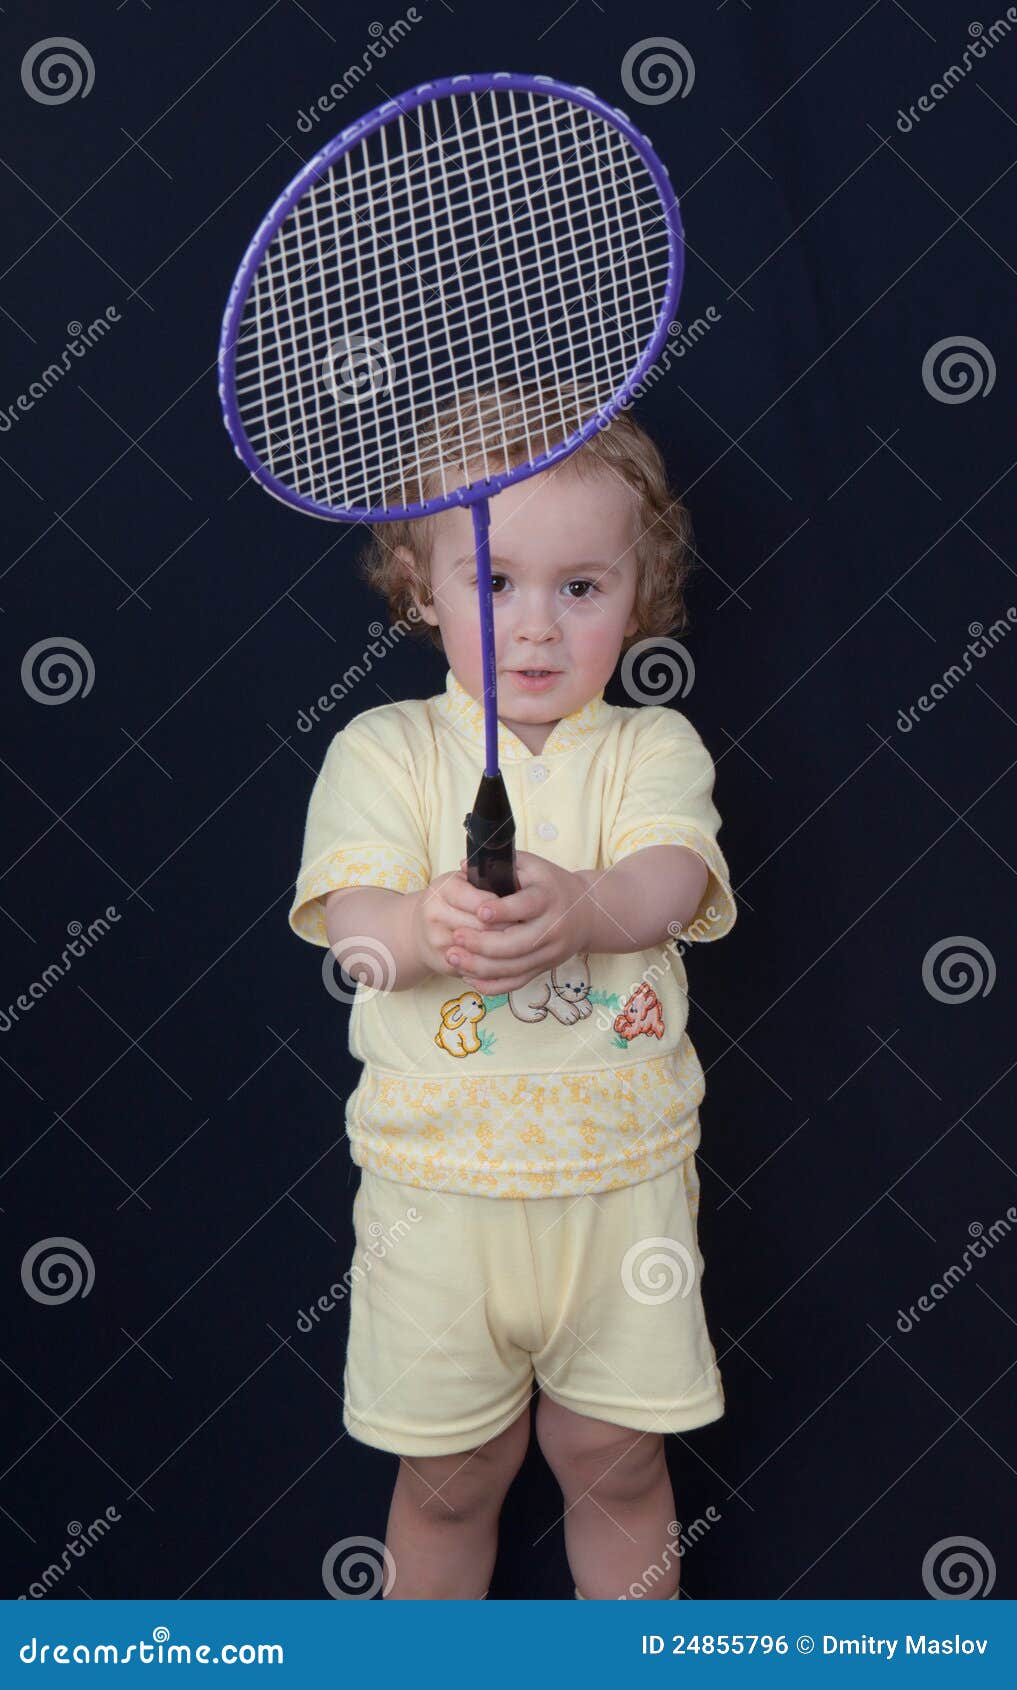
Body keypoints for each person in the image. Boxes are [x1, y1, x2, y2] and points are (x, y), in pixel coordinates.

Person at [288, 382, 737, 1600]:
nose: (535, 629)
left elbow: (666, 879)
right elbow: (358, 936)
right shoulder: (383, 751)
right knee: (449, 1477)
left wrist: (580, 908)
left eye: (580, 588)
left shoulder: (654, 748)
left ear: (636, 594)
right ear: (420, 586)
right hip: (439, 1200)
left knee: (616, 1461)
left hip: (621, 1194)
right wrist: (425, 923)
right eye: (492, 583)